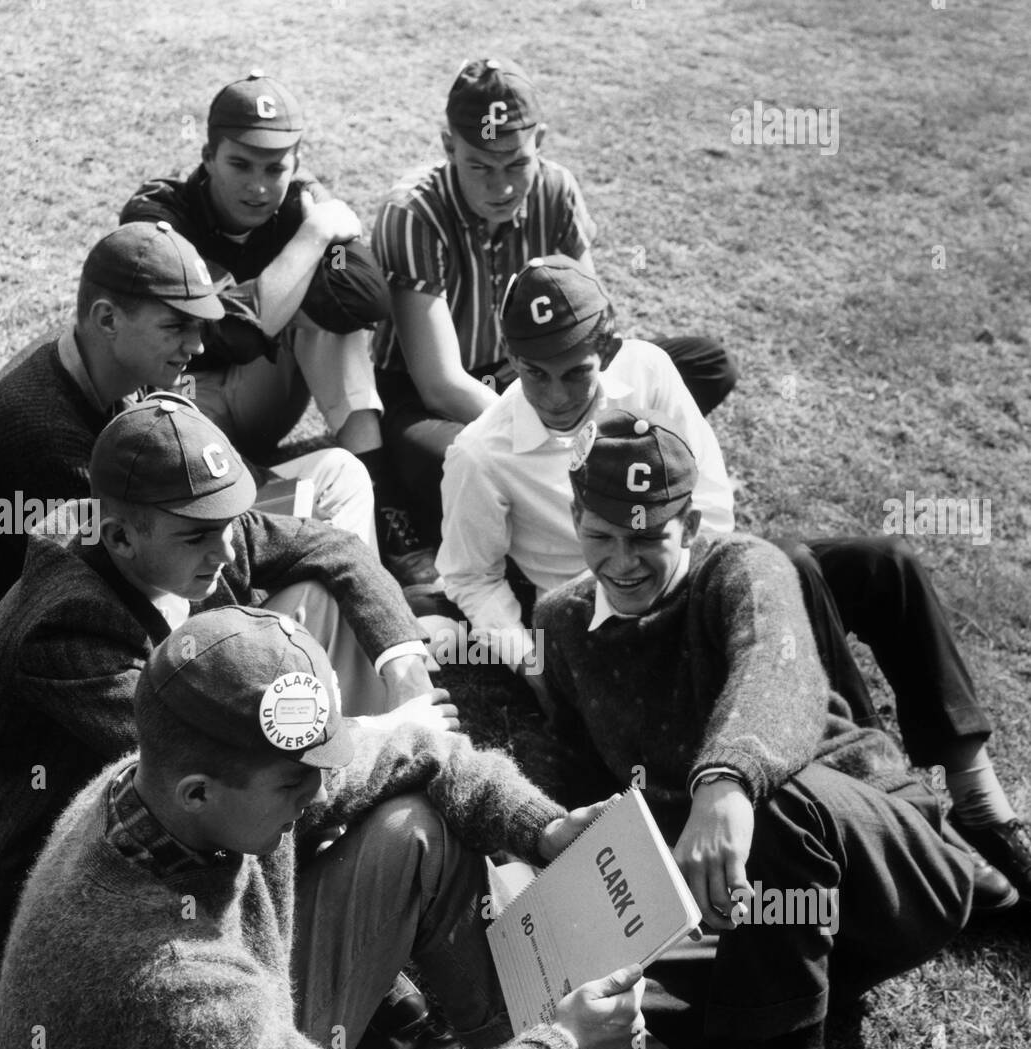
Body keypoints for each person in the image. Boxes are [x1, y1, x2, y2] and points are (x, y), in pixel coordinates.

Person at [0, 604, 933, 1049]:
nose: (314, 793)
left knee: (408, 830)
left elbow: (414, 761)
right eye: (294, 785)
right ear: (198, 793)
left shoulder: (176, 779)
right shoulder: (168, 980)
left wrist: (543, 826)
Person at [436, 256, 1030, 902]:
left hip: (695, 570)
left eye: (576, 371)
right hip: (619, 626)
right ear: (508, 359)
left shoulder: (649, 372)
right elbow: (470, 578)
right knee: (793, 576)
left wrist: (718, 582)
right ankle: (897, 809)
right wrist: (536, 660)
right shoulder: (480, 453)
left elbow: (711, 505)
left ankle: (976, 796)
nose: (556, 397)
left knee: (882, 564)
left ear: (607, 347)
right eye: (534, 375)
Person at [534, 406, 977, 1049]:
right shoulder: (563, 621)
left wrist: (727, 780)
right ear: (577, 520)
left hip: (880, 868)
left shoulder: (743, 566)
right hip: (736, 910)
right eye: (601, 536)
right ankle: (768, 1014)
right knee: (586, 1006)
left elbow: (777, 669)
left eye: (647, 538)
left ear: (689, 526)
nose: (622, 560)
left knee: (774, 802)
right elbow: (579, 774)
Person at [0, 395, 431, 956]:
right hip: (66, 880)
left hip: (179, 804)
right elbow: (205, 761)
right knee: (249, 797)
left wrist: (404, 671)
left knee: (319, 591)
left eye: (227, 525)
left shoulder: (181, 522)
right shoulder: (65, 628)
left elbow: (335, 546)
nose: (226, 551)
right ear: (120, 539)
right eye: (200, 537)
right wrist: (384, 736)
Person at [370, 56, 737, 589]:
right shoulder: (413, 211)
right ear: (448, 146)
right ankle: (534, 532)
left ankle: (567, 495)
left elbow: (591, 324)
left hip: (544, 370)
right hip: (432, 397)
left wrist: (575, 419)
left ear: (539, 140)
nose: (501, 187)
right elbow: (439, 380)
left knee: (706, 364)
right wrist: (553, 439)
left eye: (515, 164)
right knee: (452, 457)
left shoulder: (557, 189)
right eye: (479, 166)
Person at [120, 72, 389, 521]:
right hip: (184, 399)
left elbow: (366, 297)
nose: (259, 187)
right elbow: (228, 332)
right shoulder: (161, 213)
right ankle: (265, 512)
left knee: (331, 328)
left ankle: (382, 497)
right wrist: (316, 234)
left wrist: (312, 206)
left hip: (264, 394)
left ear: (296, 164)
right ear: (209, 157)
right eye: (241, 165)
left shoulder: (297, 201)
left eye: (275, 168)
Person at [0, 221, 232, 627]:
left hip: (96, 569)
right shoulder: (45, 436)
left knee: (333, 477)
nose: (197, 345)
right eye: (175, 327)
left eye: (198, 326)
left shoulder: (107, 360)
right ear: (107, 319)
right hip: (46, 620)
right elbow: (139, 560)